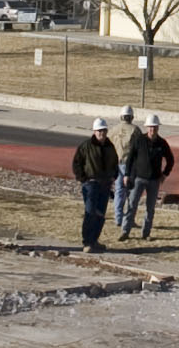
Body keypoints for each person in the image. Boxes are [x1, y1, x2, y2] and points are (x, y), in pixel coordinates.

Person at [119, 111, 173, 239]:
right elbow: (130, 158)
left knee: (150, 208)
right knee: (132, 205)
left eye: (154, 127)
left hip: (154, 181)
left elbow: (171, 160)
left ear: (158, 127)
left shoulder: (162, 143)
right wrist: (127, 174)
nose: (152, 129)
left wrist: (165, 174)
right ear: (147, 127)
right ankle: (125, 231)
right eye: (150, 127)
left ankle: (146, 233)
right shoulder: (139, 140)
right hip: (138, 179)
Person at [69, 115, 117, 252]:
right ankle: (87, 242)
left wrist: (114, 176)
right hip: (91, 184)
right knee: (90, 212)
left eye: (104, 130)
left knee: (100, 214)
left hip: (105, 185)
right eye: (99, 131)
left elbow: (115, 163)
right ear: (94, 132)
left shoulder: (110, 146)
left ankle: (95, 240)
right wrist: (83, 178)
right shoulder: (86, 146)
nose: (102, 133)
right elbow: (77, 163)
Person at [109, 105, 141, 233]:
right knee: (130, 193)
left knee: (118, 191)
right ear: (131, 117)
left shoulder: (114, 130)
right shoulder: (135, 130)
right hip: (129, 165)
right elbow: (139, 148)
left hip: (116, 163)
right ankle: (128, 219)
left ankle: (118, 218)